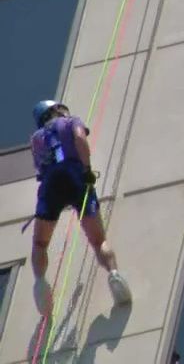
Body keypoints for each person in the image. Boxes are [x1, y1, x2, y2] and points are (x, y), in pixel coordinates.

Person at [29, 100, 131, 315]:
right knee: (98, 240)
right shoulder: (70, 121)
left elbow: (41, 167)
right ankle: (113, 274)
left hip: (50, 183)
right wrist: (86, 169)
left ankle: (40, 285)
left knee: (40, 243)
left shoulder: (36, 139)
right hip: (75, 174)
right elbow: (79, 138)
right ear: (55, 110)